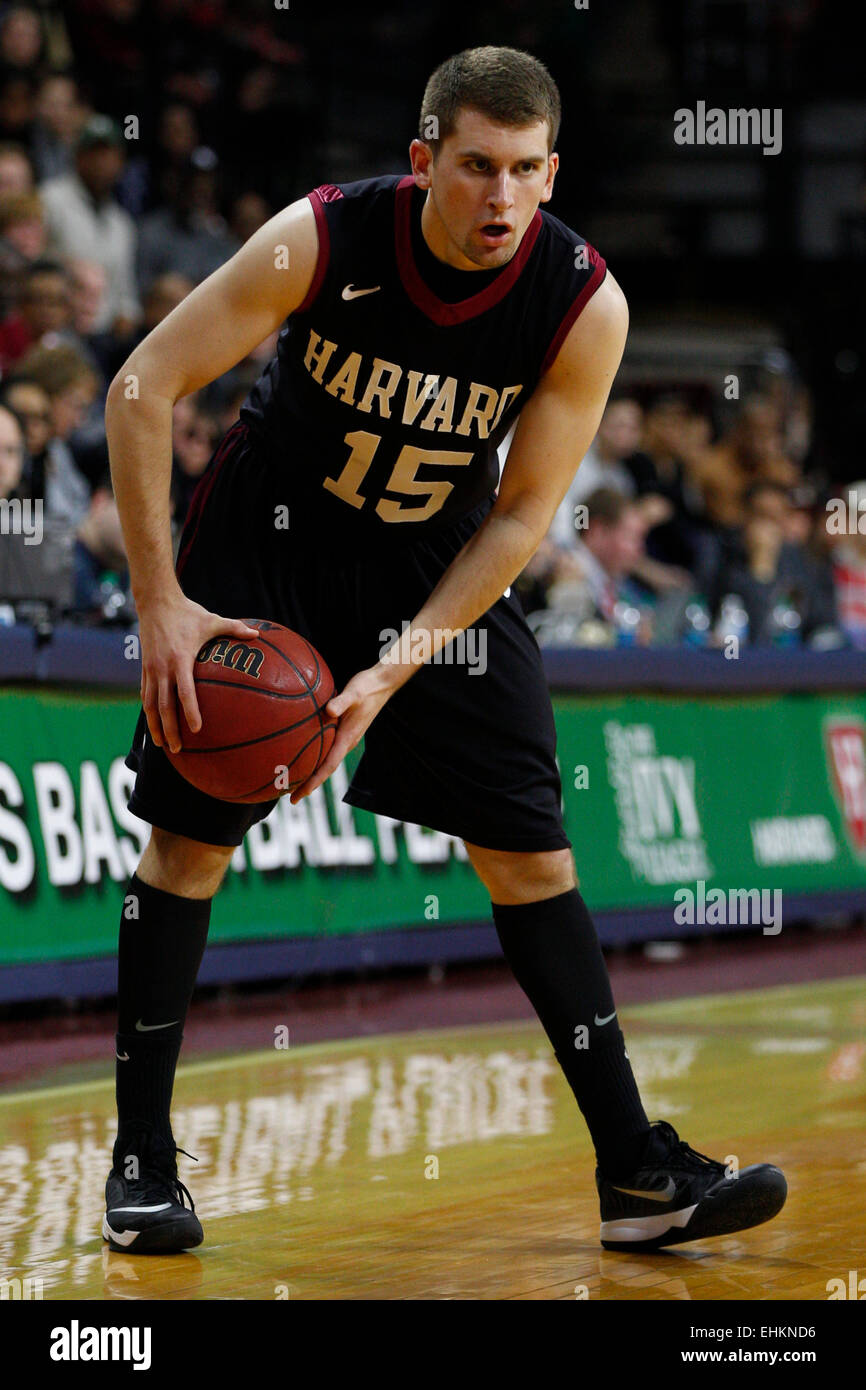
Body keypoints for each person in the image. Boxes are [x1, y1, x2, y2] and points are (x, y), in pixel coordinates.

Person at [105, 45, 786, 1258]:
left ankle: (633, 1171)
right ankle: (143, 1162)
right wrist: (159, 603)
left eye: (526, 170)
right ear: (423, 161)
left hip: (435, 556)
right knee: (187, 839)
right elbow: (145, 384)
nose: (501, 197)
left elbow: (523, 516)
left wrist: (400, 663)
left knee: (529, 853)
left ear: (553, 170)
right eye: (475, 166)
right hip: (271, 540)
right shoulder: (320, 238)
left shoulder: (584, 300)